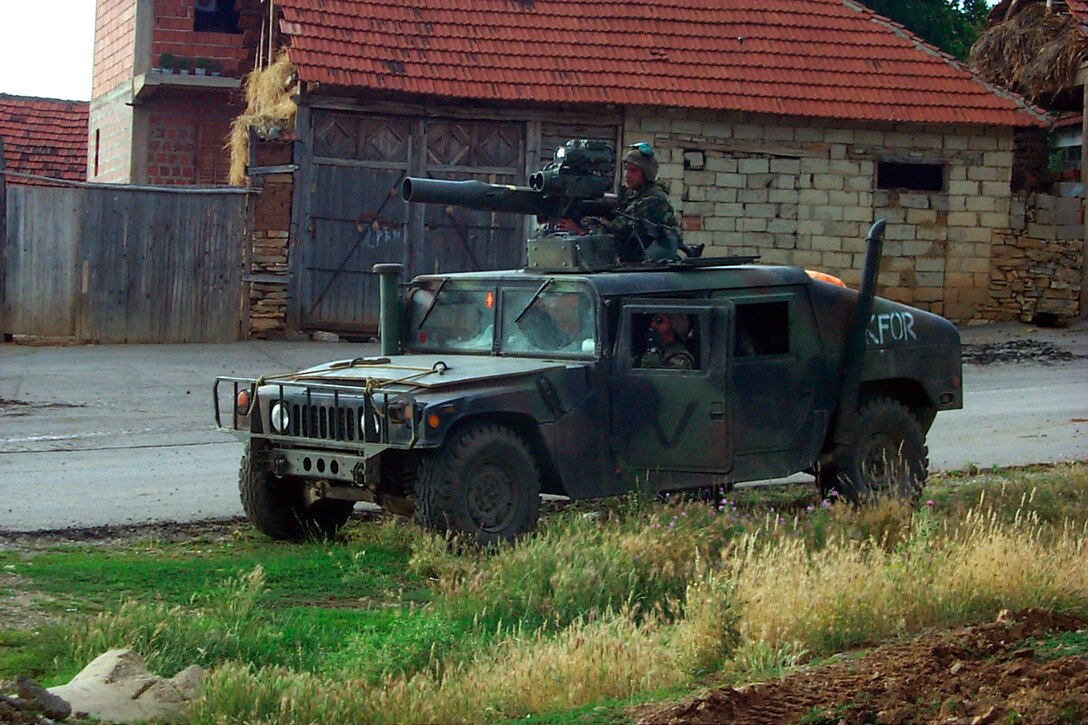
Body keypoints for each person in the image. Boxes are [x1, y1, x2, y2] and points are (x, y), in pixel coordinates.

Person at [607, 143, 682, 262]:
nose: (627, 175)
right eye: (626, 170)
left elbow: (618, 229)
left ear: (646, 173)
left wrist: (583, 230)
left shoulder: (654, 199)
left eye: (633, 171)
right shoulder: (633, 194)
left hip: (652, 263)